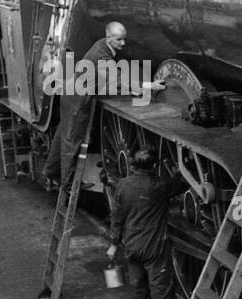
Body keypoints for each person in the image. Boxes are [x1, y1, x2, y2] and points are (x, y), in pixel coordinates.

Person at [42, 22, 162, 190]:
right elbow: (118, 78)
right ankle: (67, 184)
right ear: (109, 38)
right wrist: (148, 85)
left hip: (70, 96)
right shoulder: (102, 56)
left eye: (124, 39)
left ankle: (50, 172)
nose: (123, 44)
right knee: (72, 142)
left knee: (62, 135)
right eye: (119, 40)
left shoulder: (101, 44)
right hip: (78, 101)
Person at [107, 147, 190, 299]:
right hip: (154, 249)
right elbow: (180, 183)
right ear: (154, 166)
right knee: (161, 295)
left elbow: (117, 217)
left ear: (133, 165)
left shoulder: (124, 186)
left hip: (131, 247)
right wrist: (181, 167)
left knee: (140, 292)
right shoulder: (159, 186)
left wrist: (114, 244)